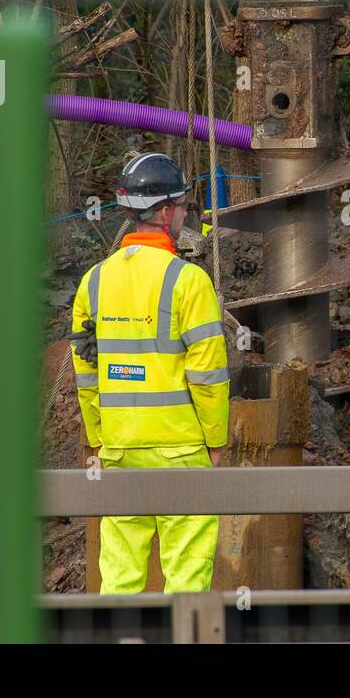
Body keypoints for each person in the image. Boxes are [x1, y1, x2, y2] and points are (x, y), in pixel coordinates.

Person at [70, 152, 229, 593]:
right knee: (187, 577)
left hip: (120, 449)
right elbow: (208, 373)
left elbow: (85, 371)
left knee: (119, 575)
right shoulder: (188, 280)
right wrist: (216, 439)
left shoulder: (94, 282)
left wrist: (100, 437)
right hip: (181, 450)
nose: (183, 215)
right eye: (180, 207)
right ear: (163, 212)